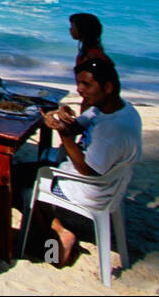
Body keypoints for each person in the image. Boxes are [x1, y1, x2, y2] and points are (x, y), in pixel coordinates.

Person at [22, 57, 142, 267]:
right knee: (26, 171)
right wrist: (64, 120)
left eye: (86, 84)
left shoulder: (112, 129)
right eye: (78, 83)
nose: (79, 90)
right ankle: (48, 224)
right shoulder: (115, 109)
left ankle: (58, 235)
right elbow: (79, 125)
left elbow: (86, 168)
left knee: (16, 181)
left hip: (87, 189)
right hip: (107, 185)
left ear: (107, 87)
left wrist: (64, 134)